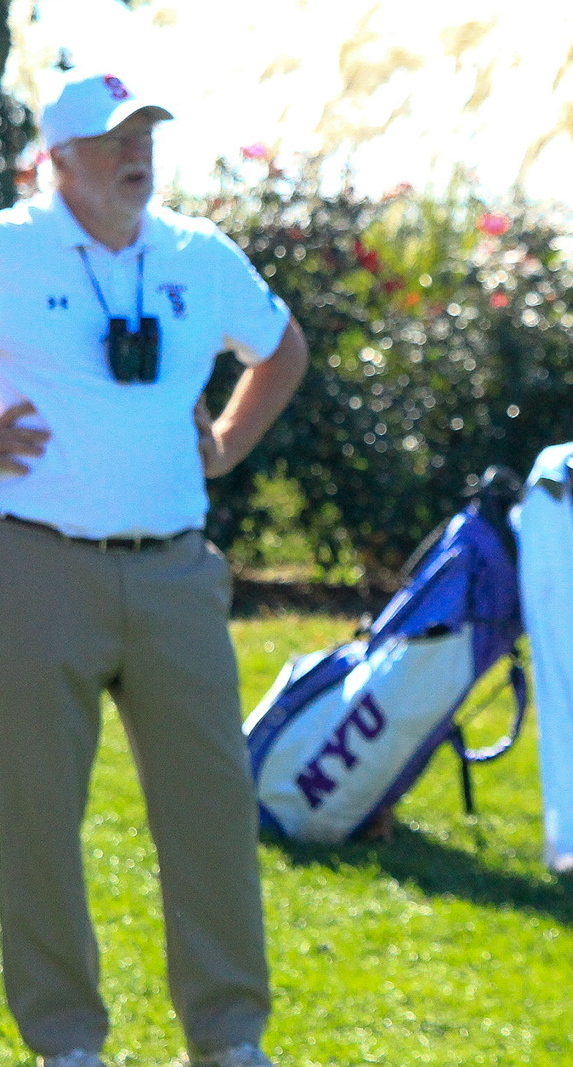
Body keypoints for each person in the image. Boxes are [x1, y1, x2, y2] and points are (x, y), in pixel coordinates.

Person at [0, 73, 308, 1067]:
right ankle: (65, 1040)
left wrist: (224, 440)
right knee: (33, 814)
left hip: (177, 570)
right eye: (111, 140)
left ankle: (227, 1036)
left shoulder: (197, 254)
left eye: (145, 135)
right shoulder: (8, 249)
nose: (135, 154)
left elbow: (283, 348)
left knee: (212, 811)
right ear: (55, 159)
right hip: (34, 562)